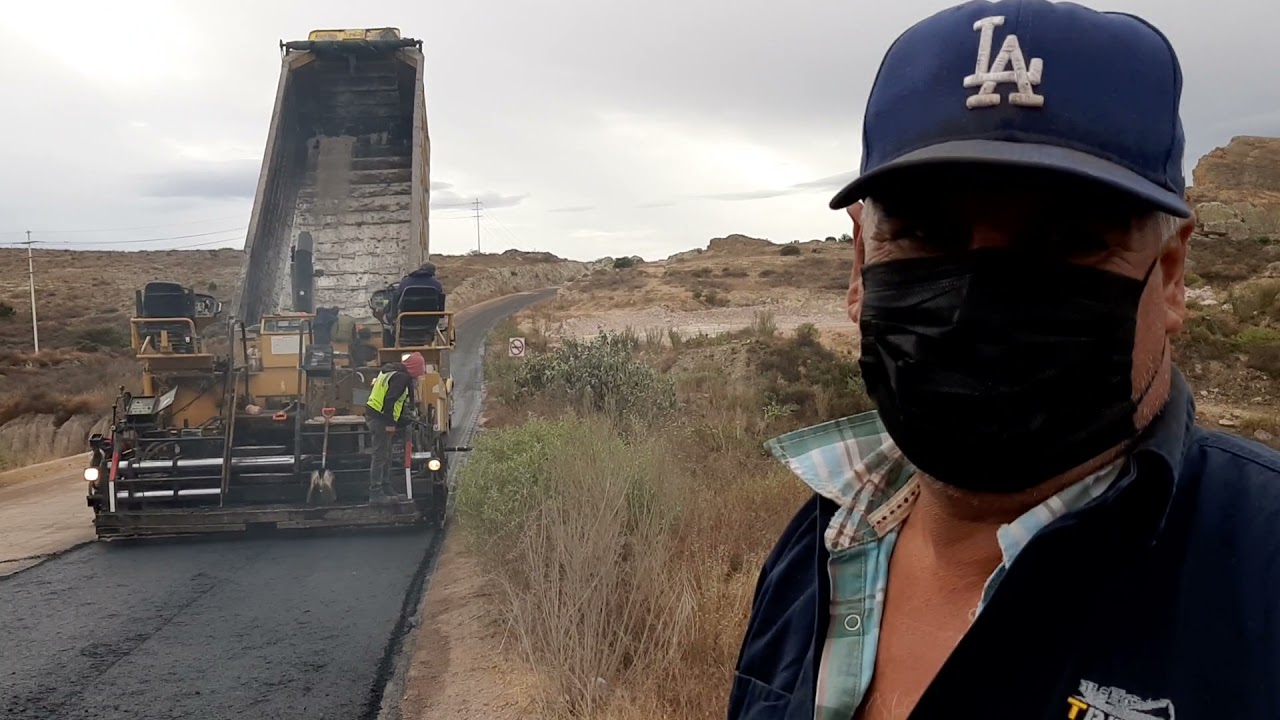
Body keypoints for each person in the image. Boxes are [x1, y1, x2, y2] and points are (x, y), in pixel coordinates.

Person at [728, 2, 1280, 720]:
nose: (976, 306)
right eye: (926, 233)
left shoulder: (1261, 576)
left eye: (1066, 240)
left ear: (1171, 275)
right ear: (860, 263)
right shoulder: (819, 545)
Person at [364, 351, 425, 503]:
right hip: (380, 419)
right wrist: (390, 424)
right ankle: (376, 493)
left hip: (377, 416)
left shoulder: (392, 372)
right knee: (380, 456)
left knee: (386, 455)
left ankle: (386, 488)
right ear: (414, 368)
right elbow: (390, 400)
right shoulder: (401, 377)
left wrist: (403, 417)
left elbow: (397, 400)